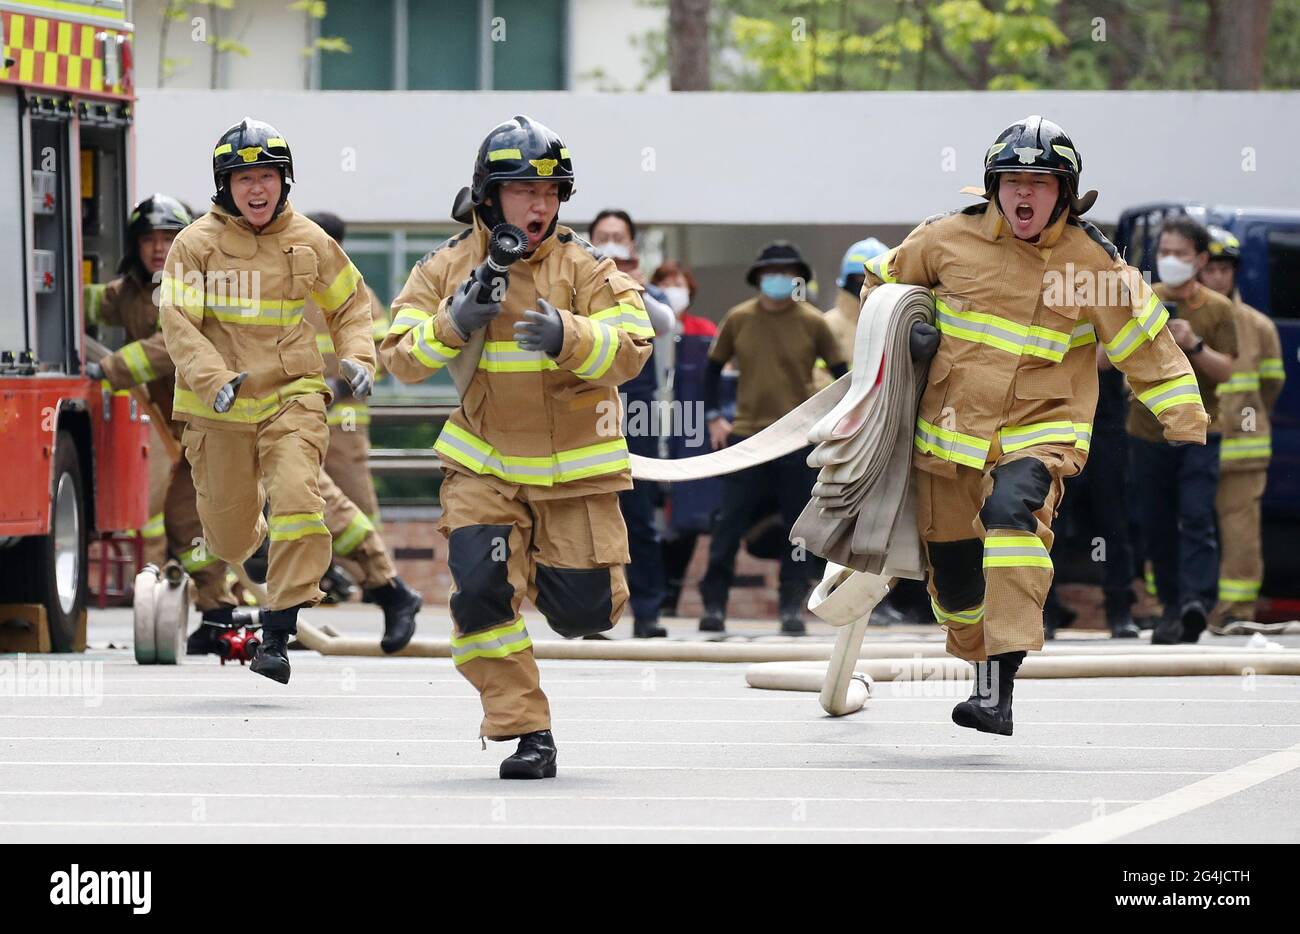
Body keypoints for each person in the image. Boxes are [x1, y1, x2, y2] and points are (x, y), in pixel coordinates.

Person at [863, 116, 1208, 735]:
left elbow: (1144, 342)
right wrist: (902, 332)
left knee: (1013, 519)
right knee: (958, 585)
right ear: (993, 184)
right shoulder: (943, 238)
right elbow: (879, 286)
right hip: (946, 441)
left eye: (1042, 182)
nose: (1026, 193)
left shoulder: (1090, 262)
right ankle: (977, 651)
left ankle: (997, 690)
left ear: (1066, 192)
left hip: (1039, 433)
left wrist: (1183, 417)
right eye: (1014, 180)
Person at [379, 115, 653, 779]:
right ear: (488, 196)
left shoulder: (586, 268)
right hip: (485, 467)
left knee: (586, 610)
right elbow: (397, 355)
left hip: (573, 478)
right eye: (524, 190)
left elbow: (635, 347)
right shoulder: (447, 266)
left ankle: (567, 596)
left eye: (552, 191)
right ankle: (527, 728)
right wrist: (452, 322)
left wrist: (569, 335)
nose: (540, 205)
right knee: (479, 594)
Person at [160, 118, 377, 684]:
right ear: (224, 185)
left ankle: (278, 629)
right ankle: (255, 531)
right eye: (243, 178)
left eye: (267, 176)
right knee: (230, 537)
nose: (256, 189)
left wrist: (359, 355)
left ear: (285, 181)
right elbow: (177, 321)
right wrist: (213, 379)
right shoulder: (194, 243)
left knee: (298, 496)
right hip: (219, 408)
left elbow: (351, 305)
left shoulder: (309, 240)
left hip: (293, 396)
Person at [88, 194, 242, 633]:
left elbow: (168, 348)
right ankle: (218, 615)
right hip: (185, 425)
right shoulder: (133, 291)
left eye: (169, 237)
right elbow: (85, 301)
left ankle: (228, 610)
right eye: (149, 238)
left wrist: (110, 367)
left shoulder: (196, 282)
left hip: (216, 419)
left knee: (198, 516)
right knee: (184, 519)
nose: (158, 247)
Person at [699, 241, 847, 635]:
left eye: (786, 272)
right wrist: (714, 416)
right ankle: (713, 606)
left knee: (798, 530)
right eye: (771, 272)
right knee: (728, 524)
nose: (778, 279)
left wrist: (838, 426)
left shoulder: (814, 322)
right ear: (759, 278)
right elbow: (710, 370)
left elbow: (843, 374)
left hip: (796, 442)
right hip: (747, 438)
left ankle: (790, 608)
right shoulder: (738, 318)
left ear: (796, 278)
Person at [303, 211, 423, 647]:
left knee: (354, 508)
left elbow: (383, 356)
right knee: (300, 509)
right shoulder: (287, 285)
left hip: (342, 425)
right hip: (292, 421)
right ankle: (320, 593)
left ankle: (378, 586)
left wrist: (341, 383)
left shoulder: (355, 292)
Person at [1126, 216, 1237, 644]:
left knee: (1195, 516)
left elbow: (1226, 369)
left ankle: (1195, 602)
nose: (1170, 261)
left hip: (1201, 431)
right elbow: (1119, 356)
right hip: (1147, 429)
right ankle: (1171, 606)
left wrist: (1193, 345)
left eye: (1180, 254)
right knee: (1155, 522)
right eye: (1165, 253)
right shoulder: (1143, 300)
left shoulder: (1217, 309)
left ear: (1201, 259)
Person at [1200, 225, 1285, 633]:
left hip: (1242, 450)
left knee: (1240, 534)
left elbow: (1271, 385)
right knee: (1182, 525)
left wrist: (1247, 420)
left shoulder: (1260, 327)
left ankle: (1235, 612)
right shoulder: (1180, 319)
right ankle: (1171, 603)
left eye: (1224, 268)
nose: (1217, 276)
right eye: (1210, 268)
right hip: (1192, 446)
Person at [589, 209, 670, 638]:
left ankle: (649, 613)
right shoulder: (577, 284)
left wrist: (628, 283)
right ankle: (594, 615)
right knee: (592, 516)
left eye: (617, 236)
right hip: (586, 412)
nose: (610, 243)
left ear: (632, 245)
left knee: (639, 519)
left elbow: (665, 323)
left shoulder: (642, 289)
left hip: (635, 414)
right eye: (602, 236)